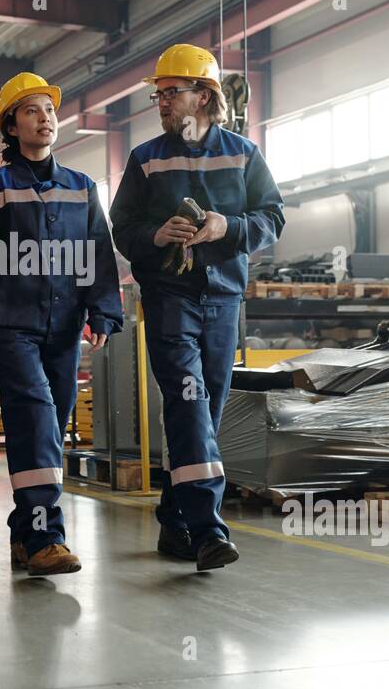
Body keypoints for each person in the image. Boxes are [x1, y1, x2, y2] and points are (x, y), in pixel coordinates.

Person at [109, 44, 285, 572]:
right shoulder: (146, 159)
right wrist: (156, 233)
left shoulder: (244, 154)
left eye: (171, 93)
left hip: (223, 298)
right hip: (169, 297)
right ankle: (209, 528)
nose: (161, 103)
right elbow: (121, 229)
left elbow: (271, 218)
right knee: (187, 404)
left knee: (204, 411)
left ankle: (174, 520)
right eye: (158, 95)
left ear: (204, 96)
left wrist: (225, 227)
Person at [0, 73, 123, 576]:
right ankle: (47, 536)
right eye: (31, 111)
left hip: (65, 328)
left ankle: (23, 533)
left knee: (52, 422)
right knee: (35, 420)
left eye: (49, 110)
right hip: (13, 328)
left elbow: (97, 250)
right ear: (11, 124)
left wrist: (103, 310)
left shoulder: (80, 187)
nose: (44, 118)